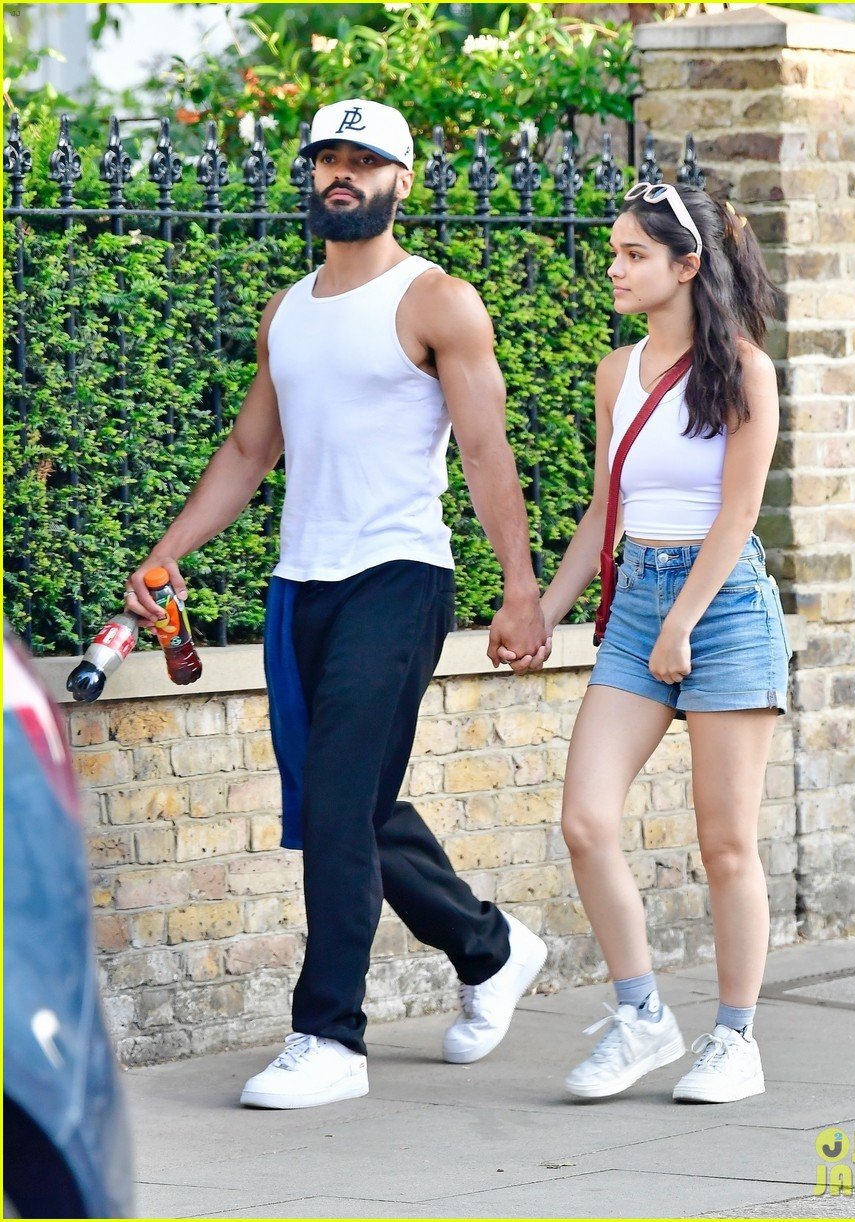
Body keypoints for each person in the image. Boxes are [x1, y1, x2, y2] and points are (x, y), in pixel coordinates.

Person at [126, 99, 551, 1109]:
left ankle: (329, 1037)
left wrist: (522, 590)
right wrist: (164, 554)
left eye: (365, 161)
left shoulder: (437, 300)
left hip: (398, 577)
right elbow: (247, 453)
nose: (343, 176)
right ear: (311, 177)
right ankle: (488, 948)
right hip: (299, 584)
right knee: (344, 803)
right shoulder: (289, 310)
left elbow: (487, 452)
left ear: (403, 180)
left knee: (336, 810)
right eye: (329, 160)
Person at [502, 181, 786, 1104]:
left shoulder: (744, 369)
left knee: (726, 843)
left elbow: (739, 511)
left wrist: (683, 619)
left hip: (725, 607)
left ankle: (735, 1039)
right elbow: (605, 508)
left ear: (686, 265)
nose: (615, 267)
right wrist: (544, 607)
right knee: (585, 818)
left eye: (633, 254)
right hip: (639, 606)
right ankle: (641, 1018)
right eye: (616, 251)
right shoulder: (614, 372)